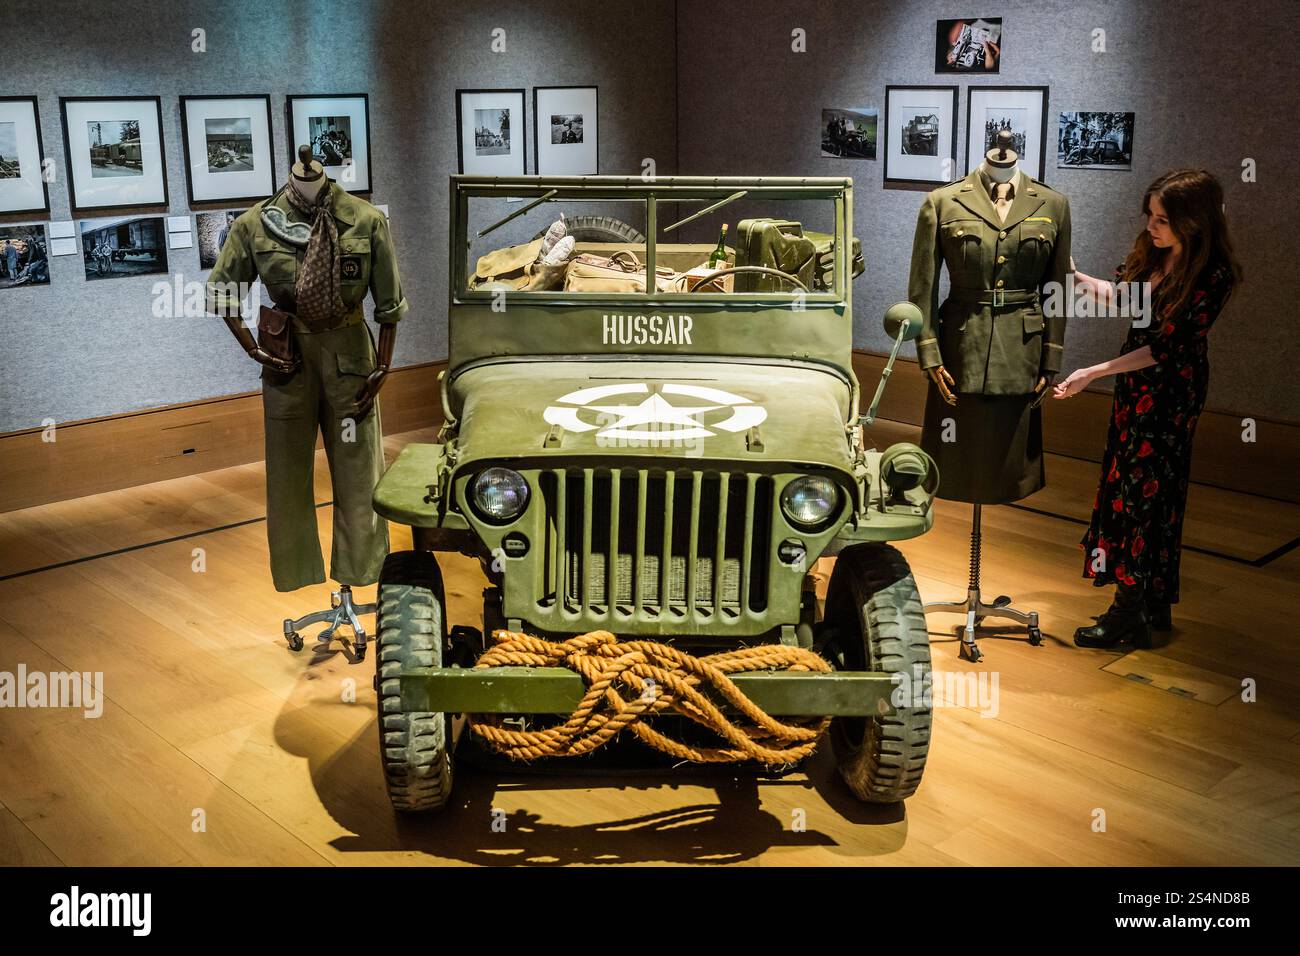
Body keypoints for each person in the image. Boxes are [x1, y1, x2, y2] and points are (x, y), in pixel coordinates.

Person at [1053, 168, 1242, 648]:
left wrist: (1093, 372)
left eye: (1162, 219)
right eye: (1151, 215)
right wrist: (1072, 277)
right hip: (1137, 390)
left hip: (1170, 395)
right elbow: (1122, 300)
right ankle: (1151, 600)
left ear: (1193, 221)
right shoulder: (1157, 254)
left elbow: (1163, 349)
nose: (1151, 226)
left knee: (1146, 496)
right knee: (1129, 485)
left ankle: (1127, 611)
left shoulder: (1213, 274)